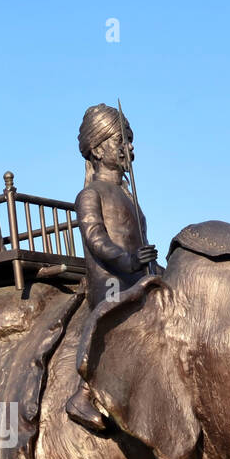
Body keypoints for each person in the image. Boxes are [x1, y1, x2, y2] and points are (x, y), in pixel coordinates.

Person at [76, 103, 158, 309]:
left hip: (140, 279)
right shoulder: (90, 194)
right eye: (121, 141)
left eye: (129, 141)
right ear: (97, 150)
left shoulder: (128, 195)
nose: (129, 147)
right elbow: (96, 240)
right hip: (111, 286)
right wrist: (130, 261)